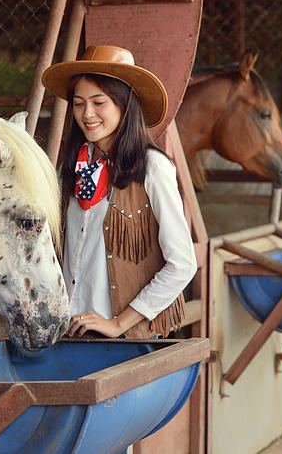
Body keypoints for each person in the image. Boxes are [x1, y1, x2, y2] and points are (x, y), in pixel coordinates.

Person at [41, 44, 197, 339]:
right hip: (70, 333)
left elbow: (183, 264)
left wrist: (118, 324)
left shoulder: (152, 168)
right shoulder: (72, 168)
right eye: (78, 103)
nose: (87, 113)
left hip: (125, 340)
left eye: (99, 102)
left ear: (124, 106)